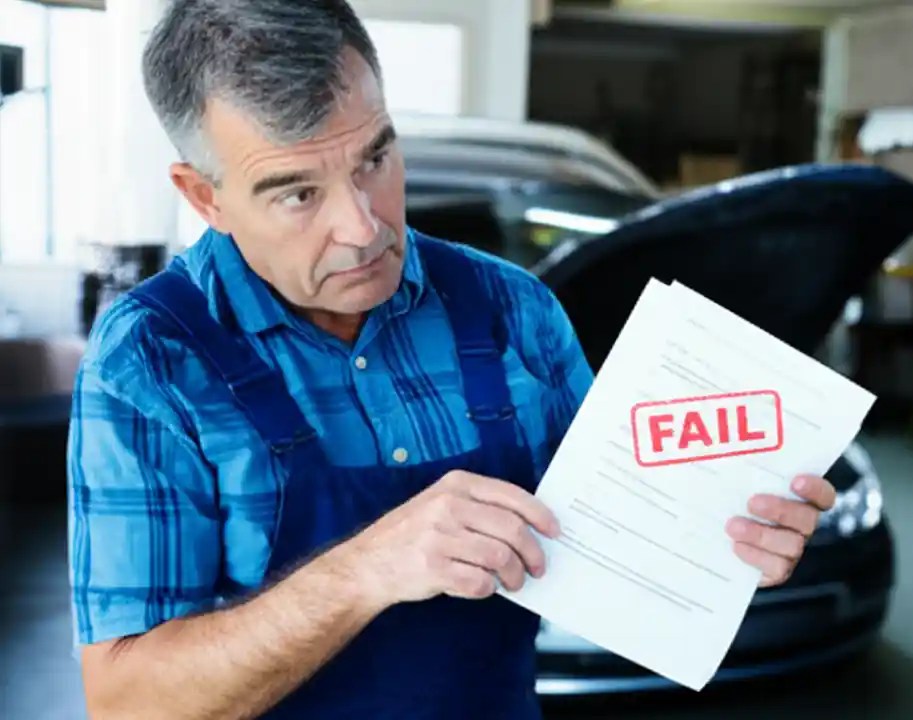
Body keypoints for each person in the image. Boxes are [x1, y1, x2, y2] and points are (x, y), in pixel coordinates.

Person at [67, 2, 839, 718]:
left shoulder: (513, 311)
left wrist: (727, 538)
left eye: (374, 159)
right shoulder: (150, 361)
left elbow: (622, 542)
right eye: (299, 194)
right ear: (204, 197)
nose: (363, 228)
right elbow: (130, 700)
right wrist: (367, 570)